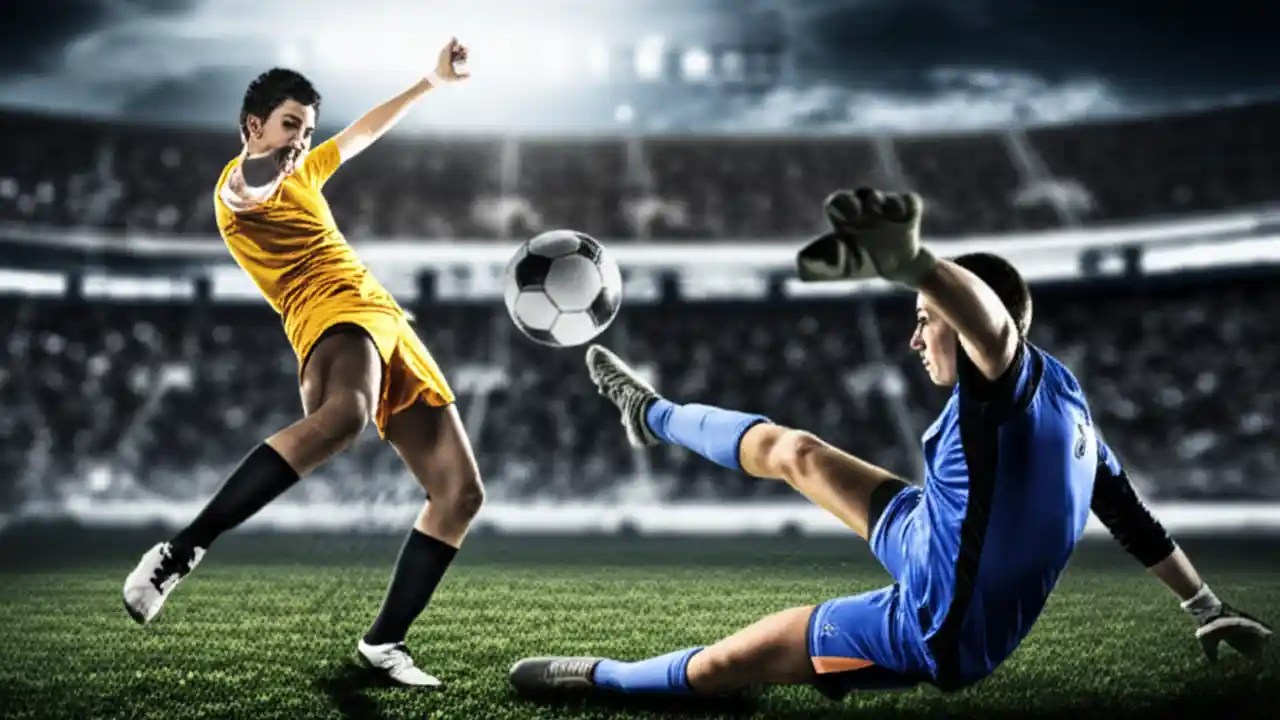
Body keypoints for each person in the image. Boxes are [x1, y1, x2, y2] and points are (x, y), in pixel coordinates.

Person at [508, 187, 1272, 700]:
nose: (914, 336)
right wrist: (1203, 604)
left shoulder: (1001, 388)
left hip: (941, 623)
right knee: (796, 450)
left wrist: (915, 263)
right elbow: (1131, 516)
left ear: (966, 319)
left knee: (736, 660)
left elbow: (991, 329)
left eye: (924, 316)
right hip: (934, 526)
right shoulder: (1063, 395)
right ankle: (651, 413)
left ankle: (606, 678)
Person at [123, 39, 483, 688]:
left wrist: (430, 80)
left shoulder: (303, 172)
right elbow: (248, 183)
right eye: (290, 125)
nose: (301, 141)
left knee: (460, 495)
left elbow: (363, 131)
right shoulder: (238, 190)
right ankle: (181, 550)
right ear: (252, 126)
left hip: (388, 321)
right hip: (331, 320)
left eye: (307, 129)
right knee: (342, 419)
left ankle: (384, 642)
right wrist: (272, 158)